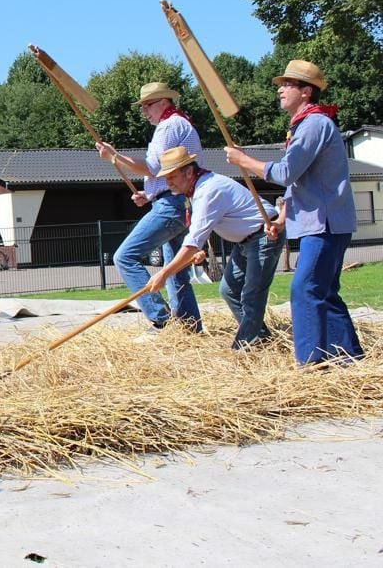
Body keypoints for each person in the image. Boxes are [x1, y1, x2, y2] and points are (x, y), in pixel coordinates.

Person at [225, 60, 363, 366]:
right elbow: (300, 183)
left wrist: (244, 160)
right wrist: (281, 219)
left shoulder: (314, 125)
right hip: (322, 222)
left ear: (306, 91)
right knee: (324, 292)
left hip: (324, 223)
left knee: (304, 290)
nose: (280, 89)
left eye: (287, 84)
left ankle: (311, 363)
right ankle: (349, 359)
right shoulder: (307, 124)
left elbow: (287, 172)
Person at [144, 147, 284, 350]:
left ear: (189, 172)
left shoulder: (209, 190)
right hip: (246, 241)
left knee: (252, 296)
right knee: (229, 291)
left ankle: (244, 347)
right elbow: (204, 226)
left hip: (264, 235)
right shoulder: (199, 188)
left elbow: (193, 240)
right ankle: (260, 339)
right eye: (166, 177)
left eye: (172, 176)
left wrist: (164, 273)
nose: (168, 182)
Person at [95, 82, 203, 336]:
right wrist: (150, 192)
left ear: (165, 102)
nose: (144, 110)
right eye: (142, 106)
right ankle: (189, 328)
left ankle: (161, 320)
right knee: (175, 271)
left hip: (172, 204)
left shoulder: (169, 126)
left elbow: (152, 167)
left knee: (125, 256)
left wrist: (114, 157)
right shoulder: (180, 124)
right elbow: (167, 171)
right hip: (179, 201)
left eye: (148, 104)